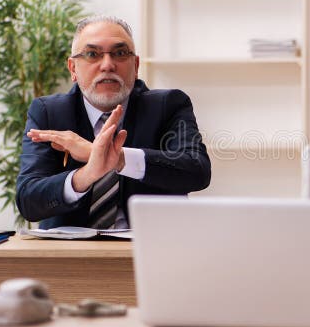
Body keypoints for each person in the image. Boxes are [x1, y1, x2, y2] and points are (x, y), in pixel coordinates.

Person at [16, 15, 211, 228]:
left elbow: (196, 171)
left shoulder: (168, 106)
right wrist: (87, 174)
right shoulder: (49, 112)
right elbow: (29, 201)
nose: (107, 65)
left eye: (119, 53)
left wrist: (118, 159)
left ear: (135, 66)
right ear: (73, 69)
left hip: (150, 248)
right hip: (71, 254)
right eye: (92, 54)